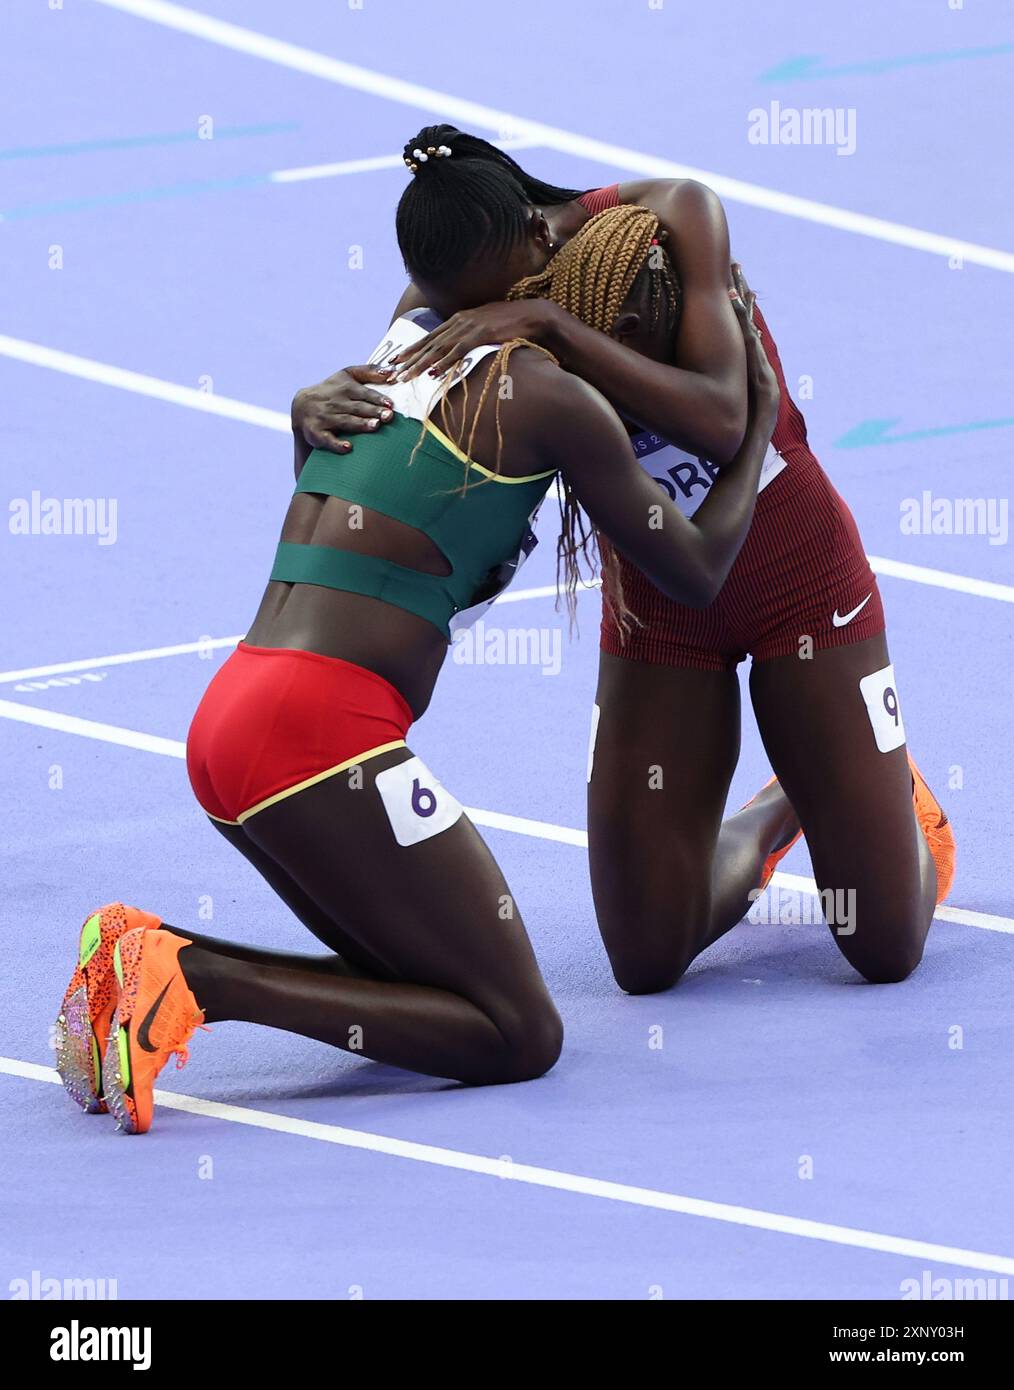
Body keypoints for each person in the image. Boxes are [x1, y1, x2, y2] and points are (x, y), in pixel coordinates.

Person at [54, 158, 780, 1133]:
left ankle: (143, 948)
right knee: (519, 1032)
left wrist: (297, 419)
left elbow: (351, 492)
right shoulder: (543, 393)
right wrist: (760, 422)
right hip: (322, 740)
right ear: (533, 247)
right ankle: (193, 977)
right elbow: (694, 568)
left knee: (414, 977)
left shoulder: (402, 334)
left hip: (234, 719)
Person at [293, 126, 956, 995]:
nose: (488, 314)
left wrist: (550, 327)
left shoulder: (675, 214)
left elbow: (724, 417)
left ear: (537, 234)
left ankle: (866, 784)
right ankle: (783, 804)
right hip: (661, 594)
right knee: (646, 957)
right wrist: (311, 411)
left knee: (882, 949)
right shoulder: (451, 286)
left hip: (801, 580)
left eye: (510, 295)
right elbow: (396, 424)